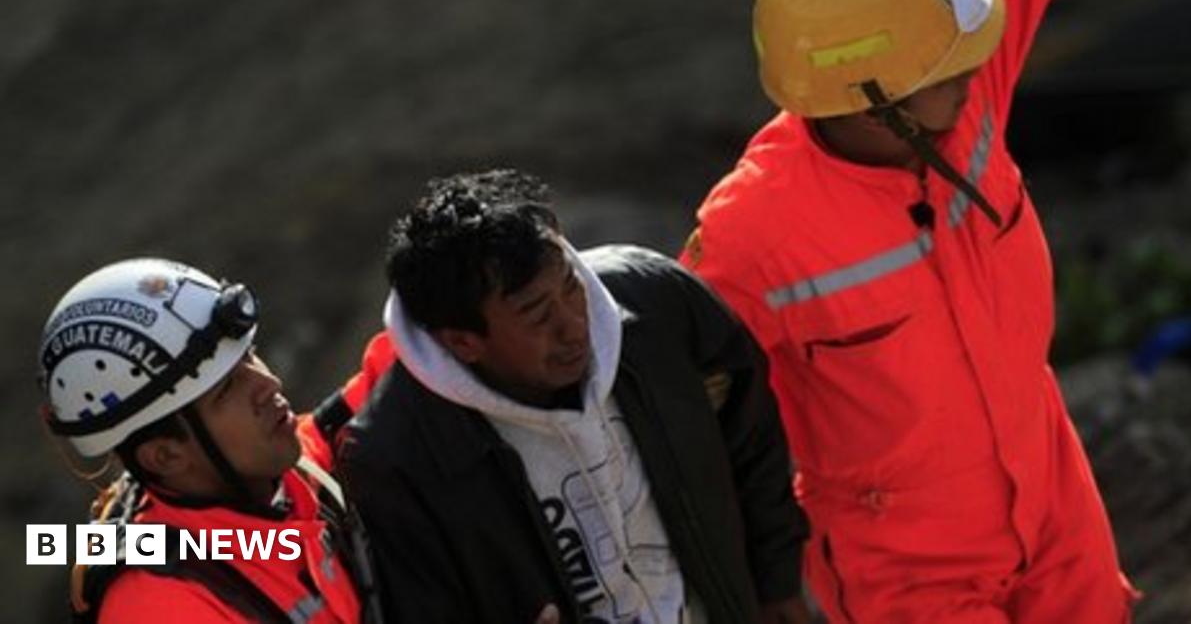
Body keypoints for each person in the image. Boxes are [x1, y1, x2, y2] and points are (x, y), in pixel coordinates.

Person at [680, 0, 1138, 621]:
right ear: (876, 106)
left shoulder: (950, 60)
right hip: (907, 576)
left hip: (1057, 518)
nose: (975, 71)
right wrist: (764, 582)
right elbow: (684, 419)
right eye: (950, 73)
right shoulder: (752, 236)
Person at [332, 170, 809, 624]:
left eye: (571, 286)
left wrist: (776, 580)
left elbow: (751, 438)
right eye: (538, 315)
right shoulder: (397, 457)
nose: (575, 325)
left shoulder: (655, 302)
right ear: (463, 342)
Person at [37, 258, 378, 623]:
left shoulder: (281, 478)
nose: (269, 384)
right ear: (166, 456)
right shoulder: (159, 607)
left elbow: (385, 385)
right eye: (227, 388)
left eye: (249, 355)